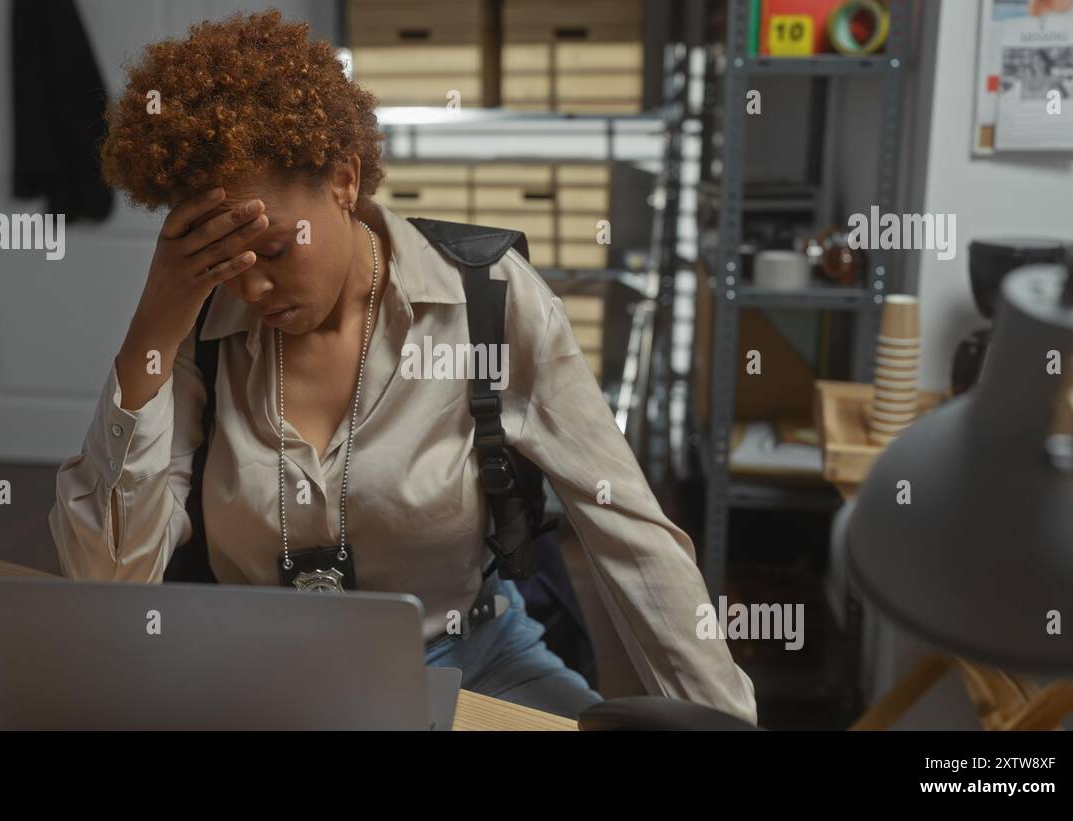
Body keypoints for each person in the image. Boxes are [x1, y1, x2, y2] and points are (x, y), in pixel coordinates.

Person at [49, 8, 756, 722]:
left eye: (271, 251)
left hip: (475, 664)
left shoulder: (489, 302)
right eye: (221, 263)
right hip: (258, 680)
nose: (251, 288)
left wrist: (722, 720)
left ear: (344, 180)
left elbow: (631, 536)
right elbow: (107, 583)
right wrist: (153, 328)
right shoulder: (198, 332)